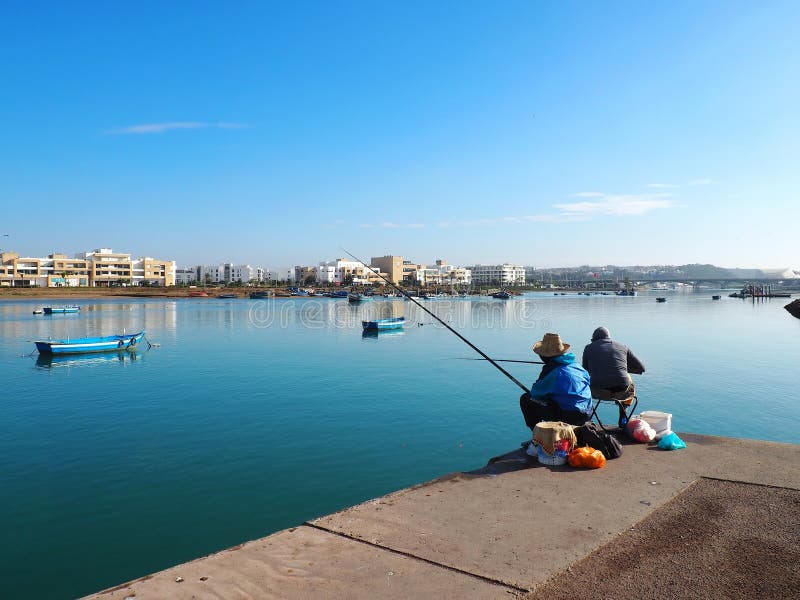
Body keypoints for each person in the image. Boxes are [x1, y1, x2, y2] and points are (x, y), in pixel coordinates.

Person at [519, 333, 593, 429]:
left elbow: (535, 393)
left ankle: (537, 435)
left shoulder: (552, 370)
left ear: (545, 356)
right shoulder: (577, 366)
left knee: (526, 399)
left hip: (569, 417)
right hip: (587, 414)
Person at [581, 326, 646, 425]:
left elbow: (585, 371)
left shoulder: (589, 348)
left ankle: (587, 417)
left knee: (585, 380)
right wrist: (622, 368)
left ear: (594, 339)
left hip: (597, 392)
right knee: (627, 377)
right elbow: (641, 368)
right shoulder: (623, 347)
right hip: (622, 392)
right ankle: (623, 414)